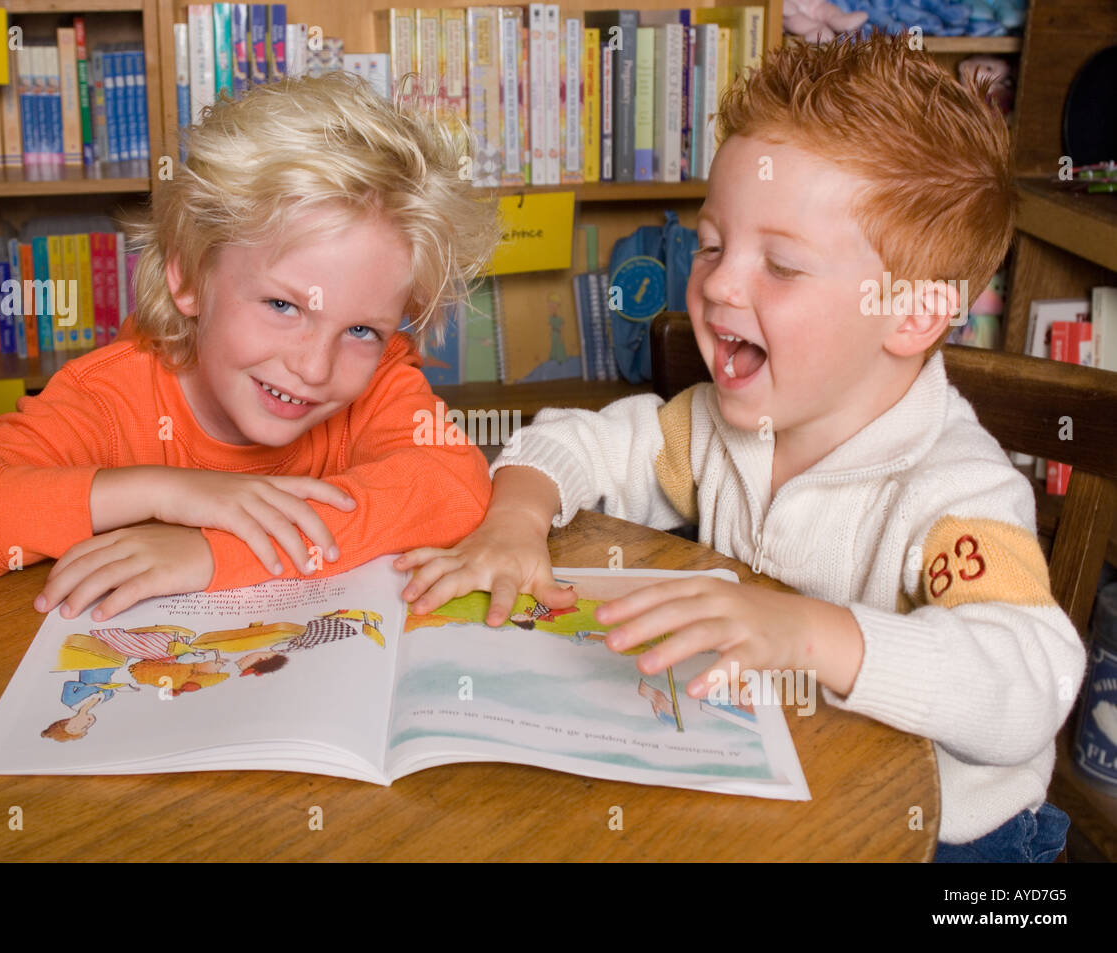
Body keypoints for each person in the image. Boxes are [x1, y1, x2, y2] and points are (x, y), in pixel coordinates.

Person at [396, 33, 1086, 862]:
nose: (719, 284)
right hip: (777, 779)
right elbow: (581, 440)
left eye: (782, 267)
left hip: (949, 836)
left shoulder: (956, 494)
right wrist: (515, 516)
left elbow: (1027, 681)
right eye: (714, 243)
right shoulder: (721, 426)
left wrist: (808, 633)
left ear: (911, 314)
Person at [0, 71, 499, 622]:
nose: (313, 367)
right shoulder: (110, 396)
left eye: (361, 330)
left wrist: (211, 549)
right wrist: (164, 492)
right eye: (284, 306)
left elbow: (452, 483)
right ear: (189, 276)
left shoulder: (381, 381)